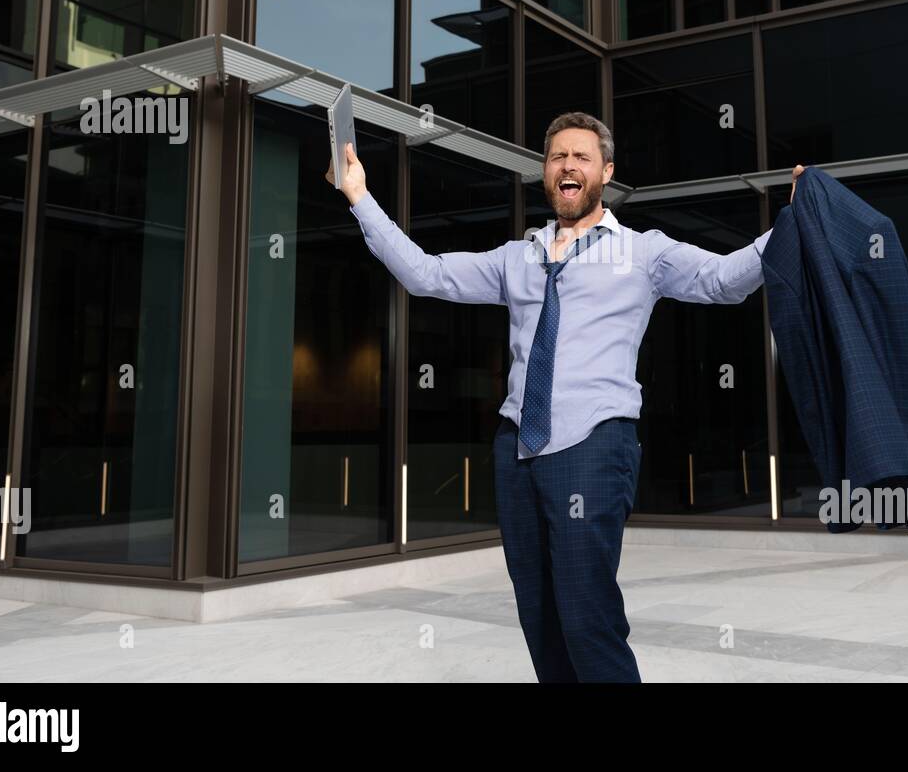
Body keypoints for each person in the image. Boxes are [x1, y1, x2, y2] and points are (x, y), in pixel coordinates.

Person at [328, 110, 802, 682]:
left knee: (586, 615)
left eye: (581, 156)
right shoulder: (515, 258)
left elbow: (725, 280)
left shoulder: (643, 253)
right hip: (517, 451)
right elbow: (426, 273)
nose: (568, 165)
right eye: (557, 157)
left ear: (605, 170)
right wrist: (359, 196)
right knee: (540, 618)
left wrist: (794, 220)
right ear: (546, 175)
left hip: (594, 446)